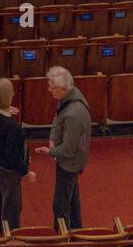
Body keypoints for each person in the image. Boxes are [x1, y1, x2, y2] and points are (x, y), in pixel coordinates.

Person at [36, 66, 91, 230]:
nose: (49, 90)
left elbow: (68, 149)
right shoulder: (69, 96)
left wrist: (50, 152)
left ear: (62, 88)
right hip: (69, 160)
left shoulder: (74, 114)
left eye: (52, 87)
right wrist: (53, 139)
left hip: (70, 163)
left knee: (61, 204)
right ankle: (76, 229)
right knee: (72, 197)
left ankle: (61, 236)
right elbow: (58, 118)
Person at [0, 76, 34, 234]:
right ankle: (11, 235)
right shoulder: (13, 127)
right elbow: (13, 155)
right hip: (8, 169)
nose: (13, 93)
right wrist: (26, 171)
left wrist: (4, 110)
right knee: (12, 205)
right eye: (11, 92)